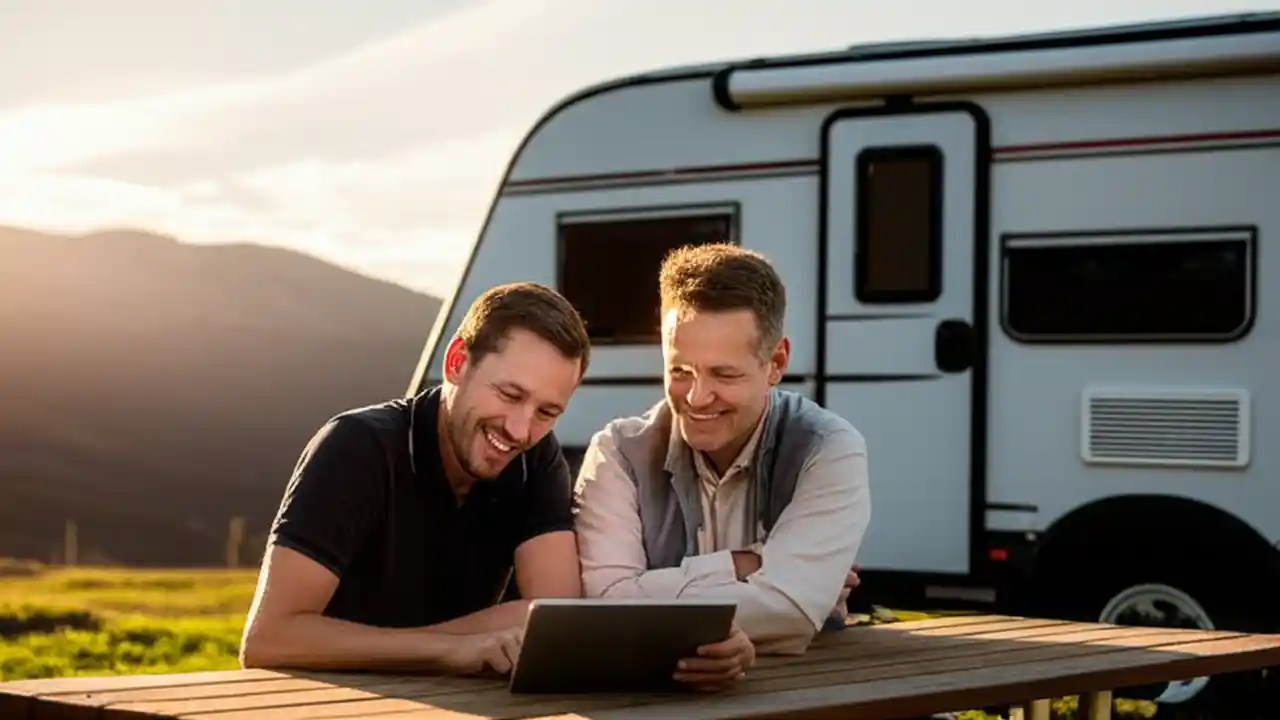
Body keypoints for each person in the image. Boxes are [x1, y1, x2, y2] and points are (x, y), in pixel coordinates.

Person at [239, 282, 591, 677]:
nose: (521, 430)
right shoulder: (357, 446)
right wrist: (450, 651)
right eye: (510, 394)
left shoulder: (535, 459)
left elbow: (556, 621)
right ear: (457, 362)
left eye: (547, 412)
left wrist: (441, 648)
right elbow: (268, 639)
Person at [573, 243, 872, 663]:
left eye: (724, 374)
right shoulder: (618, 452)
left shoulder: (828, 448)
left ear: (776, 362)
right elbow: (603, 605)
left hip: (809, 689)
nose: (696, 397)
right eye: (679, 371)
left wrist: (648, 591)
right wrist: (745, 563)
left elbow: (789, 612)